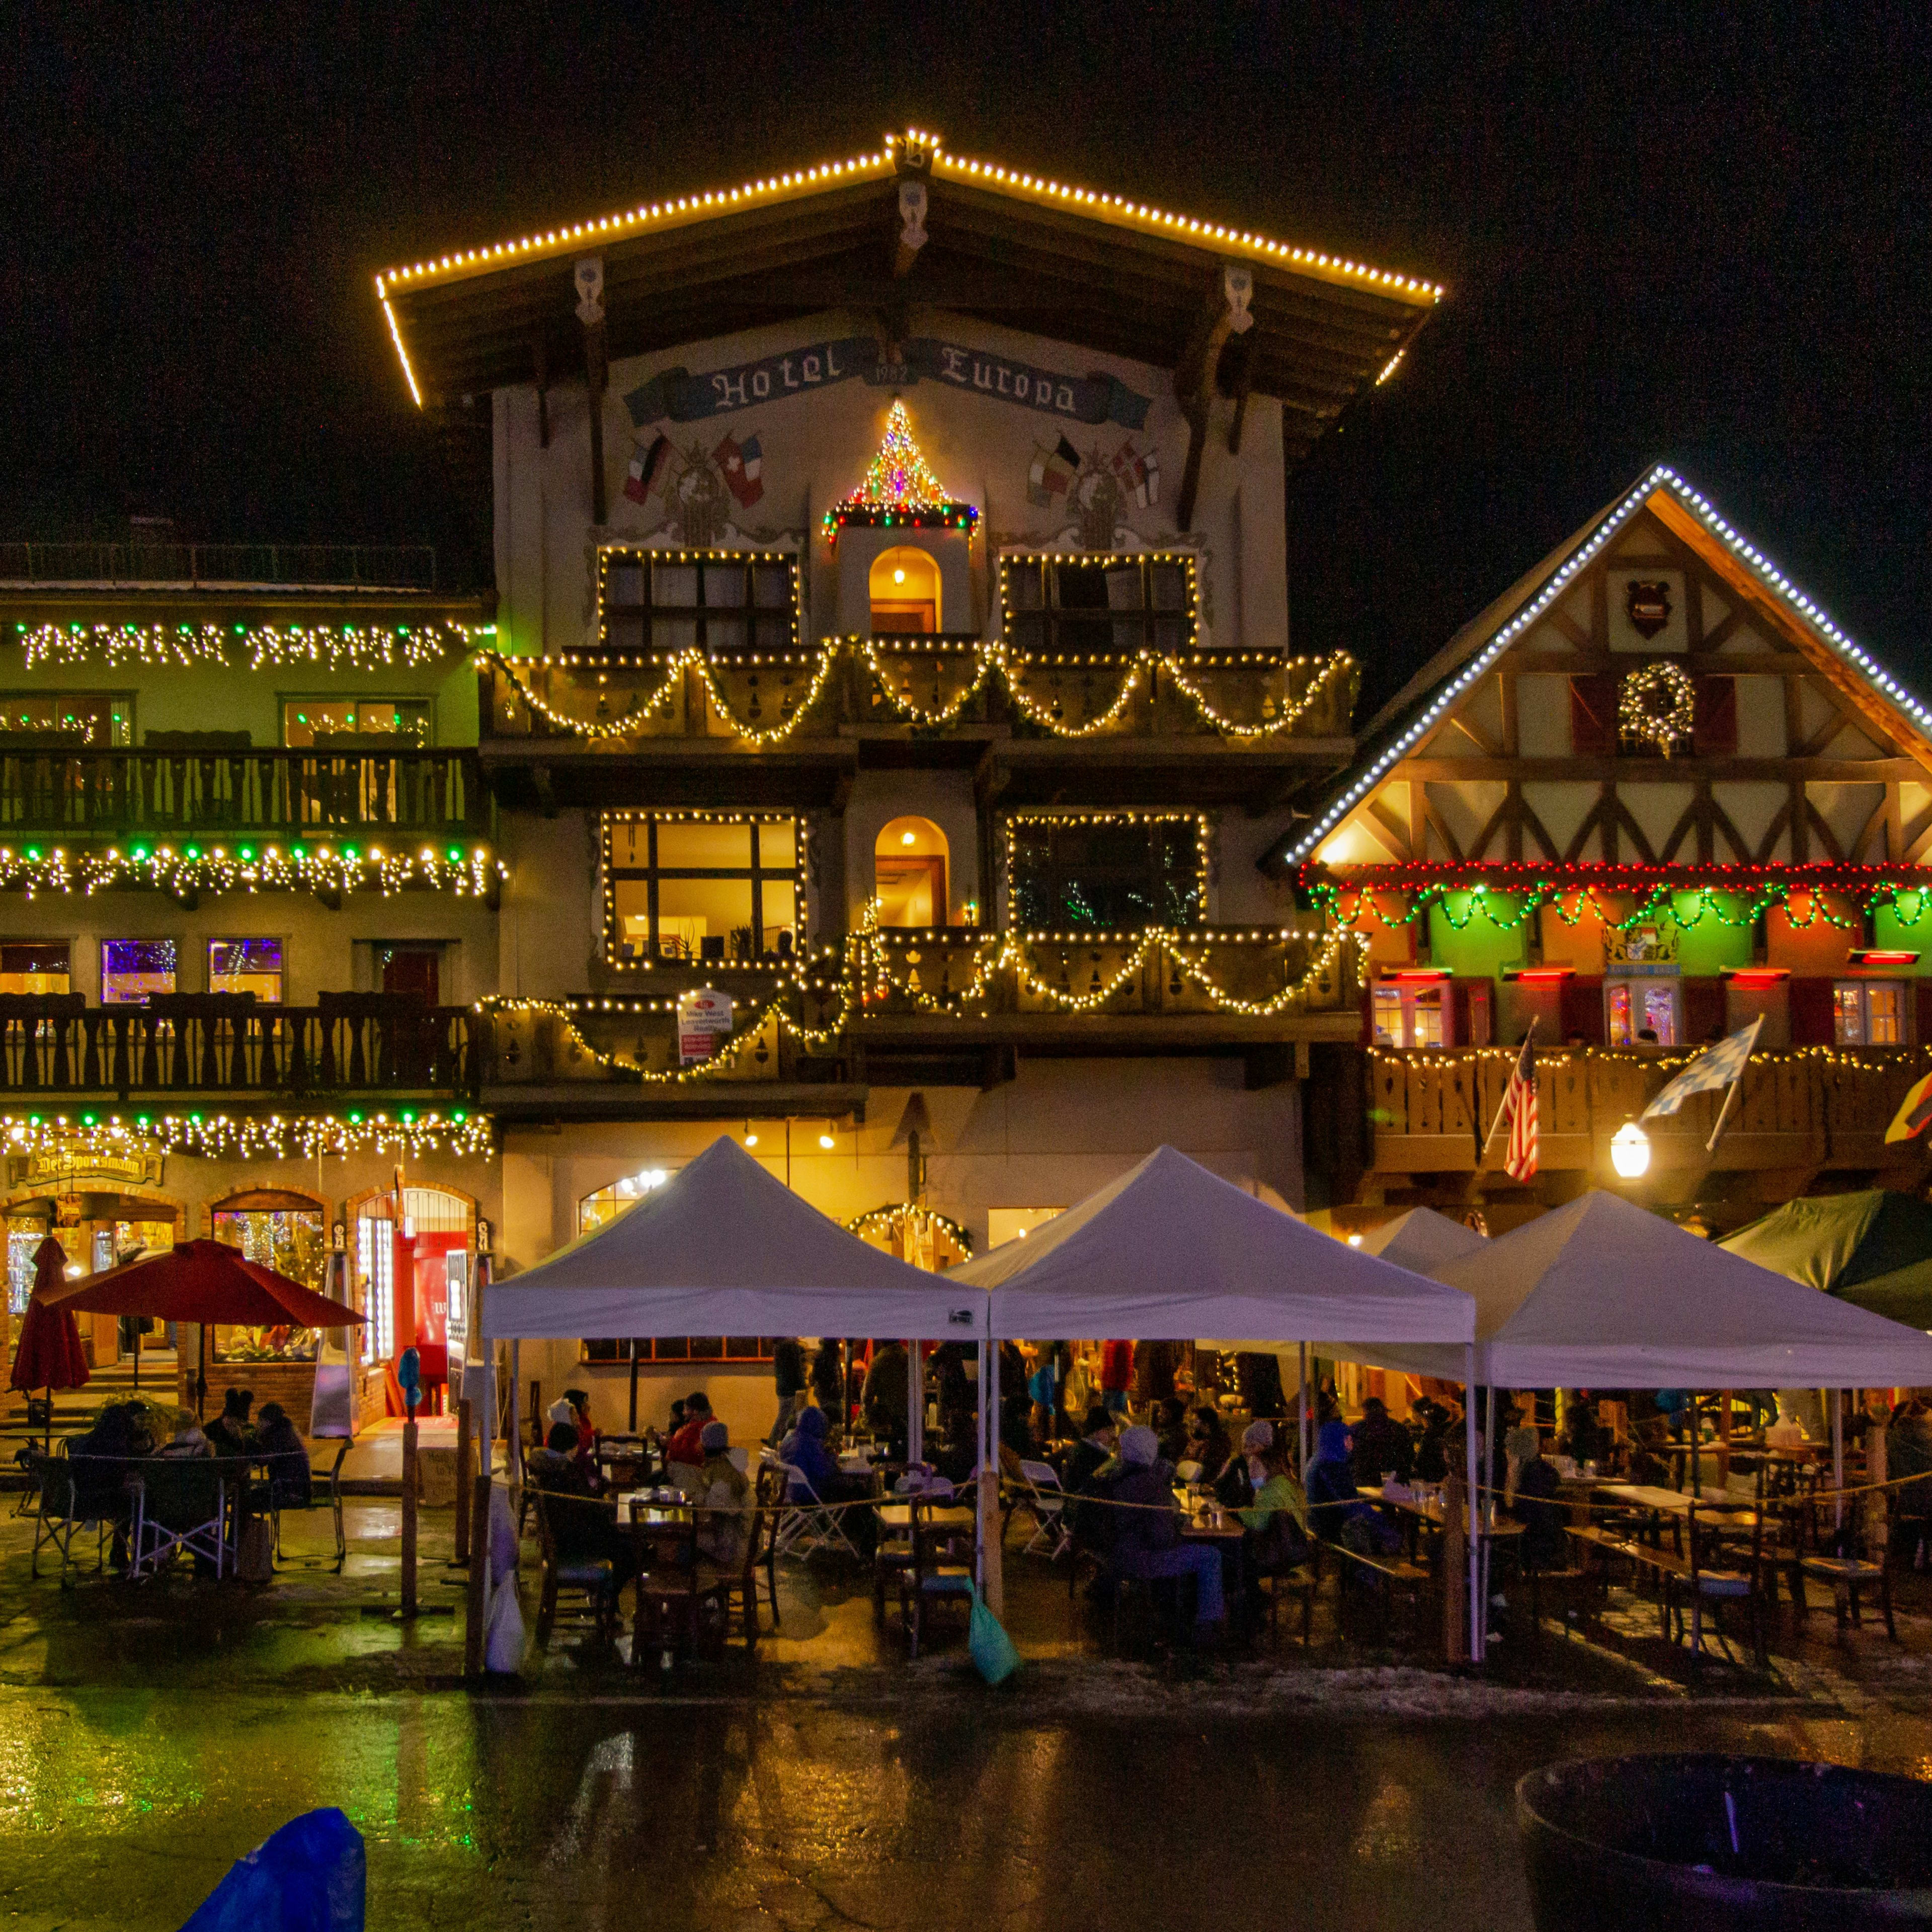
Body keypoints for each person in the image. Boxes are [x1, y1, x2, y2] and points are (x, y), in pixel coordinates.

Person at [1103, 1424, 1225, 1639]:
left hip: (1113, 1552)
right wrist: (1179, 1528)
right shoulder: (1151, 1484)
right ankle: (1207, 1626)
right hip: (1143, 1559)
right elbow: (1162, 1538)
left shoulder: (1113, 1474)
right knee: (1210, 1556)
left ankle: (1178, 1610)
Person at [1506, 1425, 1567, 1571]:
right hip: (1553, 1537)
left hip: (1535, 1541)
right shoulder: (1546, 1470)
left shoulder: (1528, 1476)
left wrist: (1511, 1483)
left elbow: (1522, 1514)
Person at [693, 1419, 750, 1569]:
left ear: (704, 1444)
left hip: (731, 1546)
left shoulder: (723, 1474)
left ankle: (694, 1588)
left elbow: (720, 1510)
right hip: (736, 1537)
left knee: (680, 1544)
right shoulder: (728, 1464)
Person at [1303, 1419, 1367, 1542]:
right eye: (1348, 1439)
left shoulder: (1319, 1458)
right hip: (1330, 1523)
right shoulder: (1332, 1464)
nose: (1352, 1443)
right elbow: (1348, 1498)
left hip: (1316, 1518)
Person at [254, 1402, 312, 1509]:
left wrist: (251, 1445)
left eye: (260, 1420)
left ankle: (243, 1526)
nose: (258, 1424)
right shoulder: (288, 1431)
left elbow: (262, 1460)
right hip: (299, 1490)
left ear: (268, 1422)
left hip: (287, 1493)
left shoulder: (276, 1435)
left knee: (243, 1498)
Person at [862, 1339, 911, 1458]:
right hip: (909, 1417)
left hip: (886, 1420)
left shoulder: (879, 1361)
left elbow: (867, 1394)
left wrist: (867, 1416)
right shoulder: (909, 1358)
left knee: (887, 1457)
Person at [1350, 1396, 1414, 1487]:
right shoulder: (1398, 1428)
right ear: (1385, 1411)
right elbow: (1409, 1455)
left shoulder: (1356, 1429)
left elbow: (1348, 1455)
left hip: (1363, 1480)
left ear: (1365, 1412)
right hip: (1395, 1481)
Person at [769, 1338, 807, 1448]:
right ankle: (775, 1441)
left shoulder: (779, 1347)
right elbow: (797, 1369)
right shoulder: (791, 1347)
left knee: (785, 1416)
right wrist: (802, 1386)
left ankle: (778, 1441)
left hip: (783, 1387)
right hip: (792, 1388)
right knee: (788, 1417)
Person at [206, 1387, 257, 1458]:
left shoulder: (246, 1433)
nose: (236, 1427)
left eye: (239, 1425)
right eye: (233, 1424)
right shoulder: (211, 1431)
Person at [666, 1391, 712, 1468]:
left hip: (690, 1473)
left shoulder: (702, 1429)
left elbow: (688, 1455)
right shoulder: (695, 1426)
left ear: (695, 1411)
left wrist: (669, 1444)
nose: (684, 1413)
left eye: (686, 1409)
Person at [809, 1338, 845, 1422]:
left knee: (832, 1418)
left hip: (832, 1392)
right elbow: (818, 1376)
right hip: (828, 1393)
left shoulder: (831, 1350)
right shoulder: (823, 1352)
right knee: (832, 1418)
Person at [1099, 1339, 1133, 1415]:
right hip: (1114, 1387)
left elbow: (1126, 1366)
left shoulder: (1110, 1342)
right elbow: (1127, 1365)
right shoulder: (1121, 1342)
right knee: (1114, 1416)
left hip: (1113, 1387)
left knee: (1112, 1417)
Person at [1155, 1396, 1190, 1469]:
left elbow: (1170, 1462)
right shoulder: (1164, 1431)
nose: (1159, 1415)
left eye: (1164, 1412)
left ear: (1174, 1415)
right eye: (1160, 1411)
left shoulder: (1177, 1435)